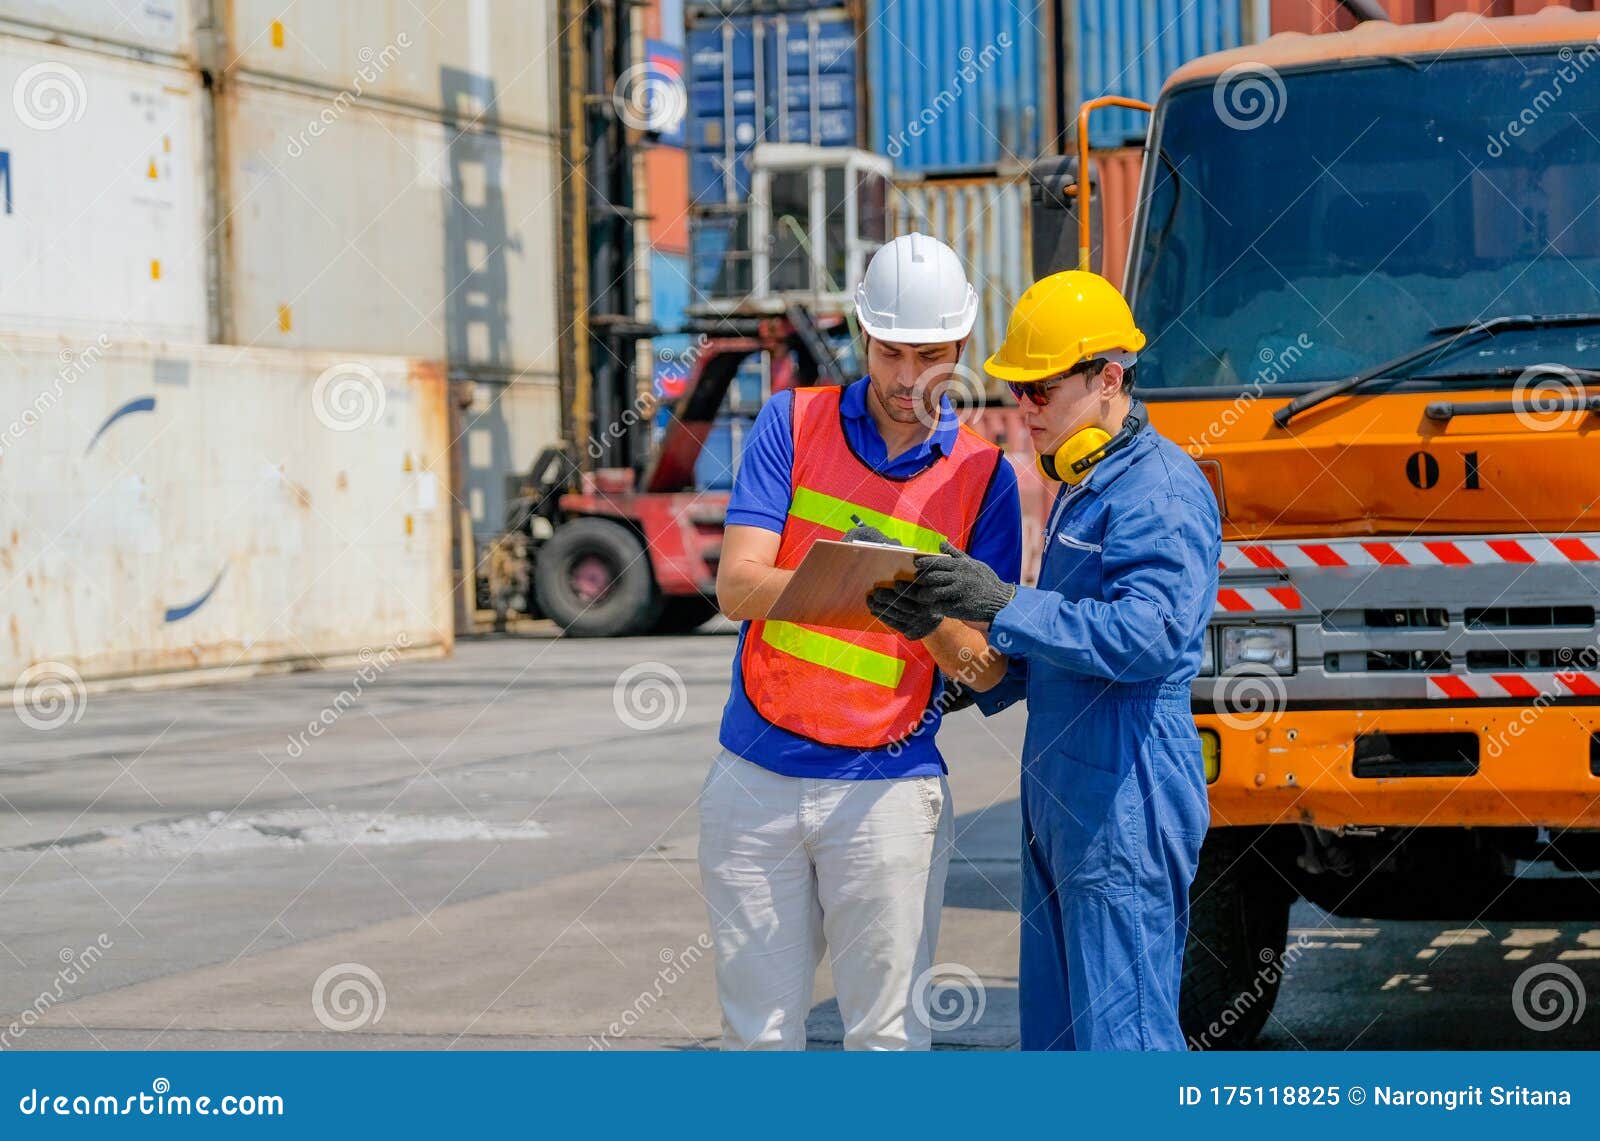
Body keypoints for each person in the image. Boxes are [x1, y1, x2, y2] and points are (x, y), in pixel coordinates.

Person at [700, 232, 1022, 1050]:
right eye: (891, 353)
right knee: (757, 1037)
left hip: (888, 787)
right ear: (860, 335)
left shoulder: (984, 478)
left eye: (932, 354)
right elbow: (737, 585)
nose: (909, 378)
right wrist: (873, 595)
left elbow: (986, 670)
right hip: (756, 775)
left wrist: (938, 624)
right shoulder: (793, 422)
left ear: (962, 347)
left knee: (885, 1039)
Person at [893, 270, 1221, 1050]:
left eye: (1041, 391)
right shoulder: (1083, 484)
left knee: (1124, 1042)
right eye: (1018, 392)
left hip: (1126, 792)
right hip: (1065, 796)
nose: (1024, 410)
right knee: (1059, 1041)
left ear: (1109, 378)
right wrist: (941, 623)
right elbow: (1055, 655)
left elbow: (1151, 636)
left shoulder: (1159, 489)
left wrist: (1003, 600)